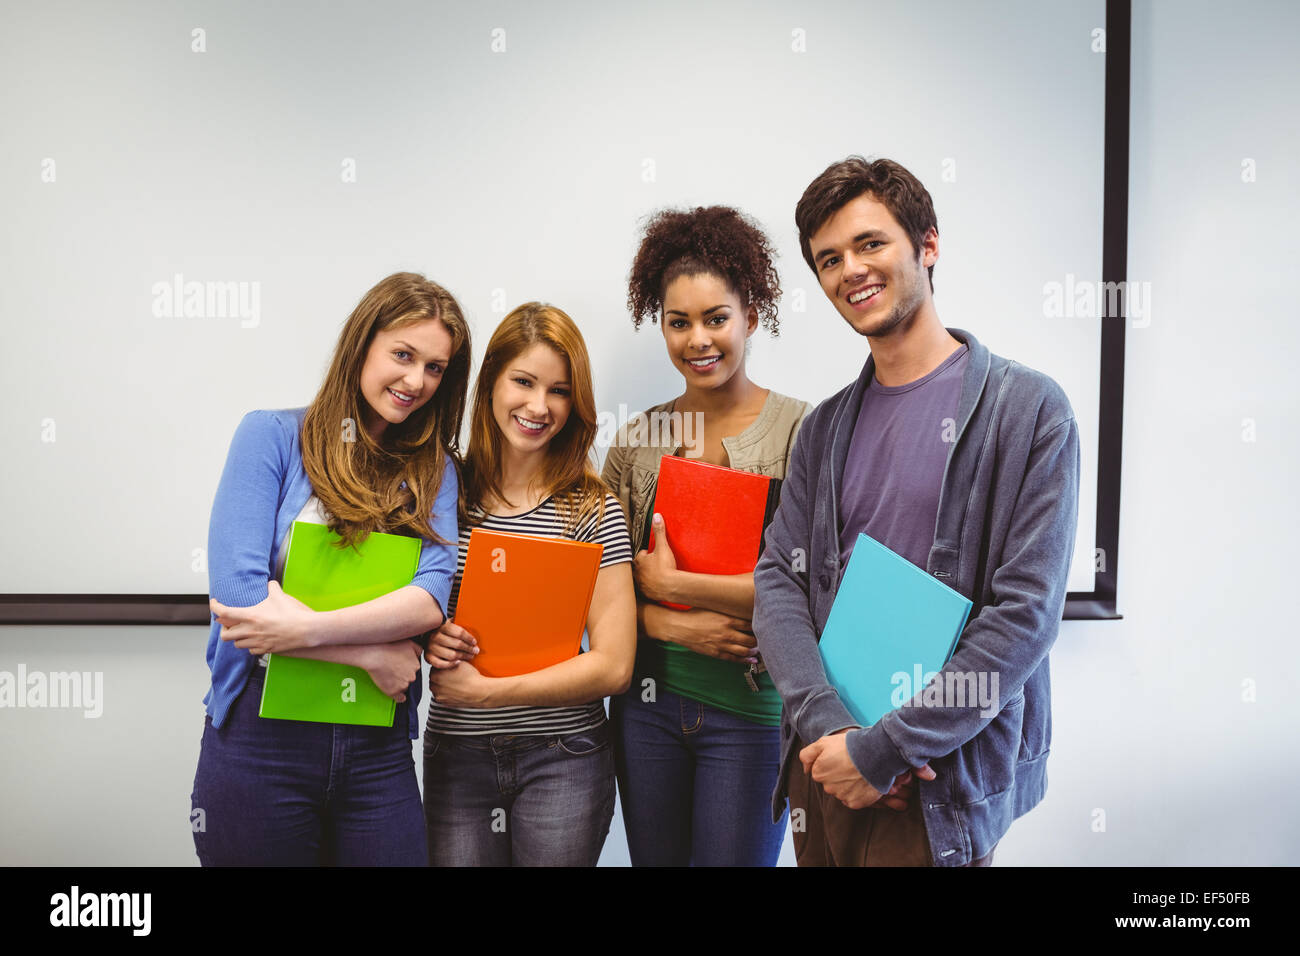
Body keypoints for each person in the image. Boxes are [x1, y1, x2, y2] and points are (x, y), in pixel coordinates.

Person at [754, 157, 1080, 867]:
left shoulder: (1029, 411)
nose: (851, 271)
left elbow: (1025, 616)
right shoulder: (824, 428)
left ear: (927, 245)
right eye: (829, 259)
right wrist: (832, 731)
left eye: (870, 244)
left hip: (936, 780)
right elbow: (778, 581)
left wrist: (887, 749)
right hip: (826, 768)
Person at [192, 271, 472, 866]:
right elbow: (240, 596)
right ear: (362, 344)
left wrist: (303, 630)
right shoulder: (269, 436)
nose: (416, 380)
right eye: (403, 354)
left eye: (435, 368)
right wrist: (369, 653)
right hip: (260, 742)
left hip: (377, 747)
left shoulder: (436, 471)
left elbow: (429, 598)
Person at [602, 205, 811, 866]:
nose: (698, 339)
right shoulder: (636, 443)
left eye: (716, 318)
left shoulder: (805, 432)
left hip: (753, 718)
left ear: (751, 314)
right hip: (647, 712)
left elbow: (811, 586)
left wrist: (672, 586)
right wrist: (673, 626)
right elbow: (595, 594)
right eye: (678, 321)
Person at [421, 301, 636, 867]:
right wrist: (428, 639)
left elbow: (614, 666)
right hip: (458, 754)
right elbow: (410, 608)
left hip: (565, 755)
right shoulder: (442, 493)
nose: (539, 407)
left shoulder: (594, 509)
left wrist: (490, 693)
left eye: (560, 391)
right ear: (490, 381)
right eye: (523, 381)